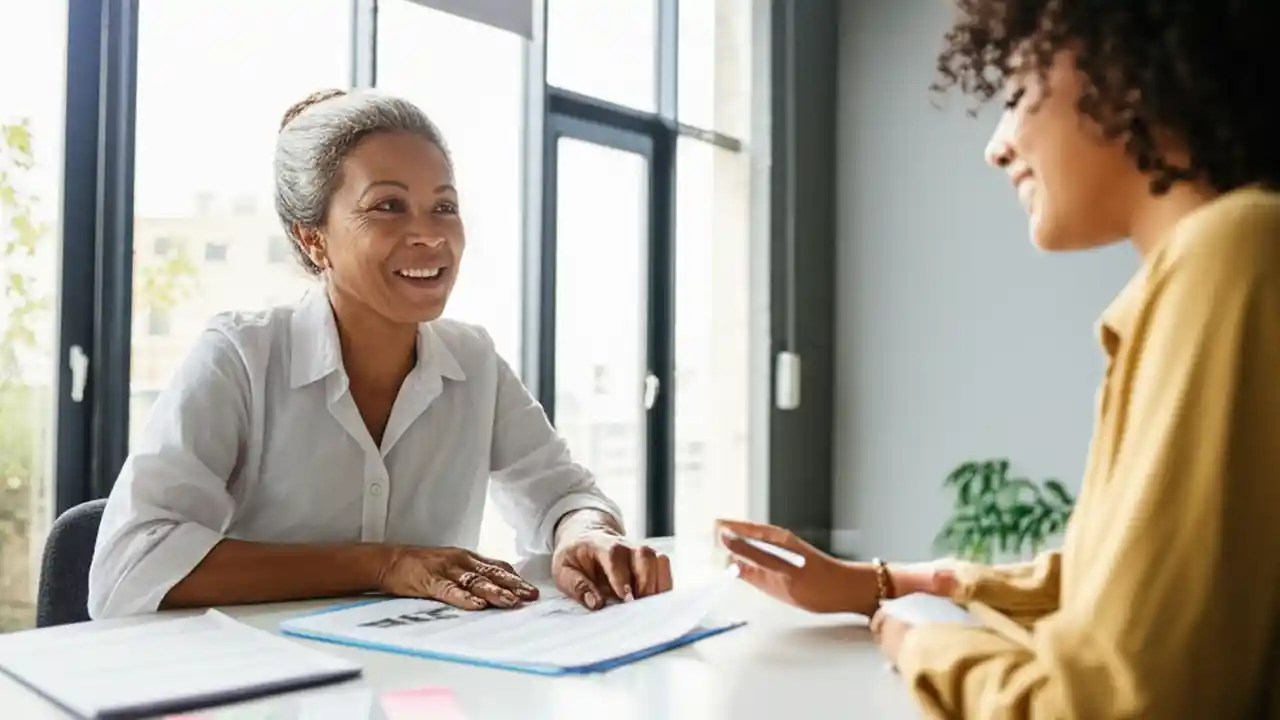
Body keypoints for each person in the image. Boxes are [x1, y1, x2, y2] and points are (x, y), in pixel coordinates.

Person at [719, 0, 1280, 717]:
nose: (997, 145)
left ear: (1122, 68)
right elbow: (1099, 586)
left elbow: (1113, 703)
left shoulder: (1229, 259)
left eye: (1015, 95)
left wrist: (921, 642)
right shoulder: (1221, 260)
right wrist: (879, 584)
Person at [89, 89, 672, 620]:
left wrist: (587, 534)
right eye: (388, 206)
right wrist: (384, 564)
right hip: (260, 685)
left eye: (444, 206)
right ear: (311, 238)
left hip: (418, 683)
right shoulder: (241, 358)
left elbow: (564, 495)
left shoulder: (474, 361)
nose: (430, 235)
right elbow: (131, 565)